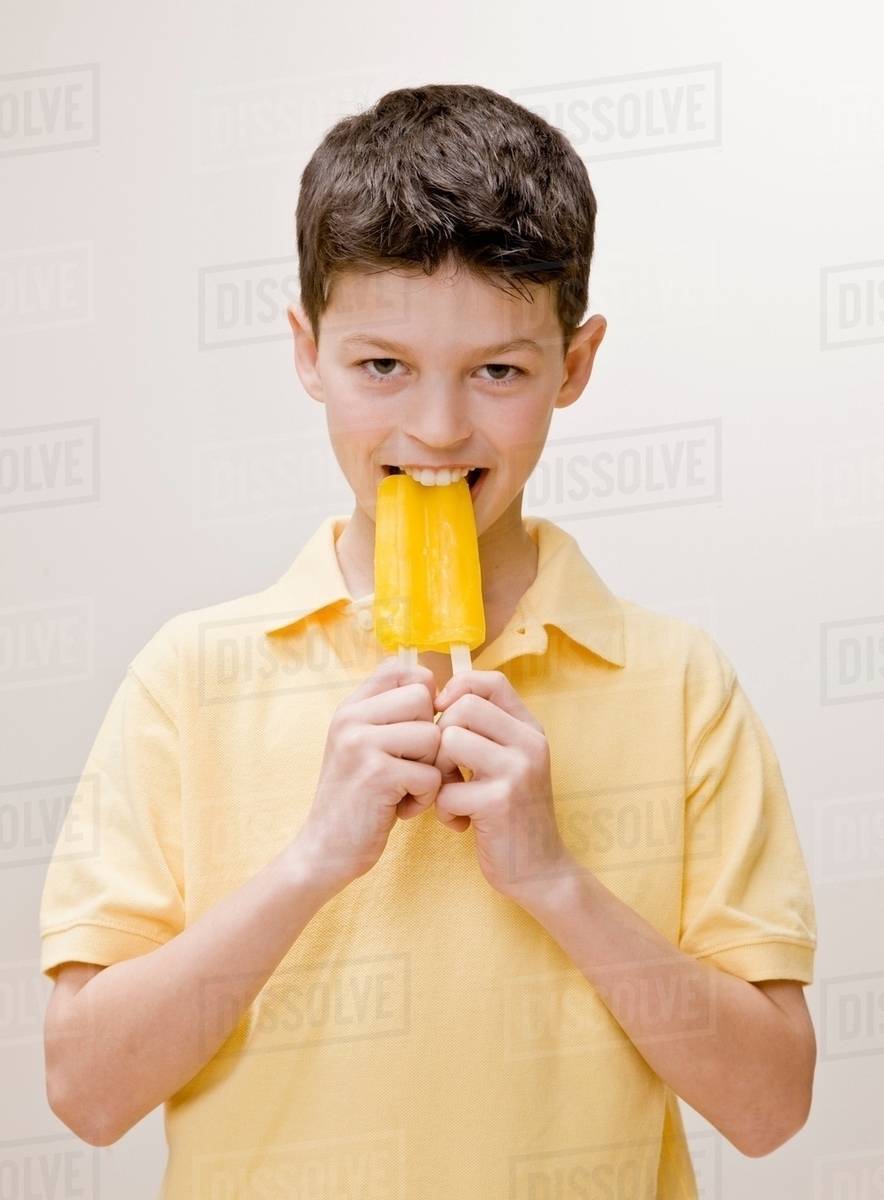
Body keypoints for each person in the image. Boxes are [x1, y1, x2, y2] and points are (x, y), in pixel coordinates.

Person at [40, 83, 817, 1198]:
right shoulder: (189, 679)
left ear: (574, 363)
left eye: (497, 370)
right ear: (306, 350)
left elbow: (769, 1106)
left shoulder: (679, 685)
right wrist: (314, 858)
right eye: (380, 366)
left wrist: (552, 875)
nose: (439, 428)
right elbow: (87, 1092)